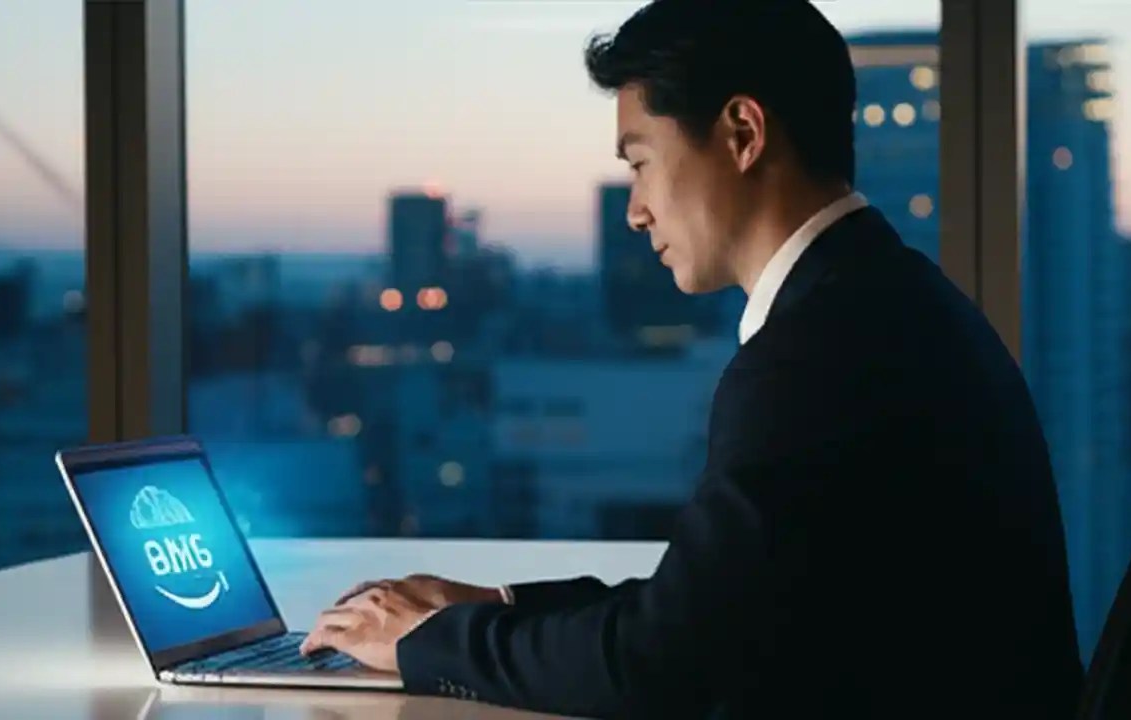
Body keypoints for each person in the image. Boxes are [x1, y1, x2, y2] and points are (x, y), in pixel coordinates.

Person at [300, 0, 1085, 717]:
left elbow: (660, 663)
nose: (636, 210)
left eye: (640, 161)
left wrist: (424, 646)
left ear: (743, 133)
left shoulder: (817, 353)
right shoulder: (889, 302)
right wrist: (491, 606)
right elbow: (711, 604)